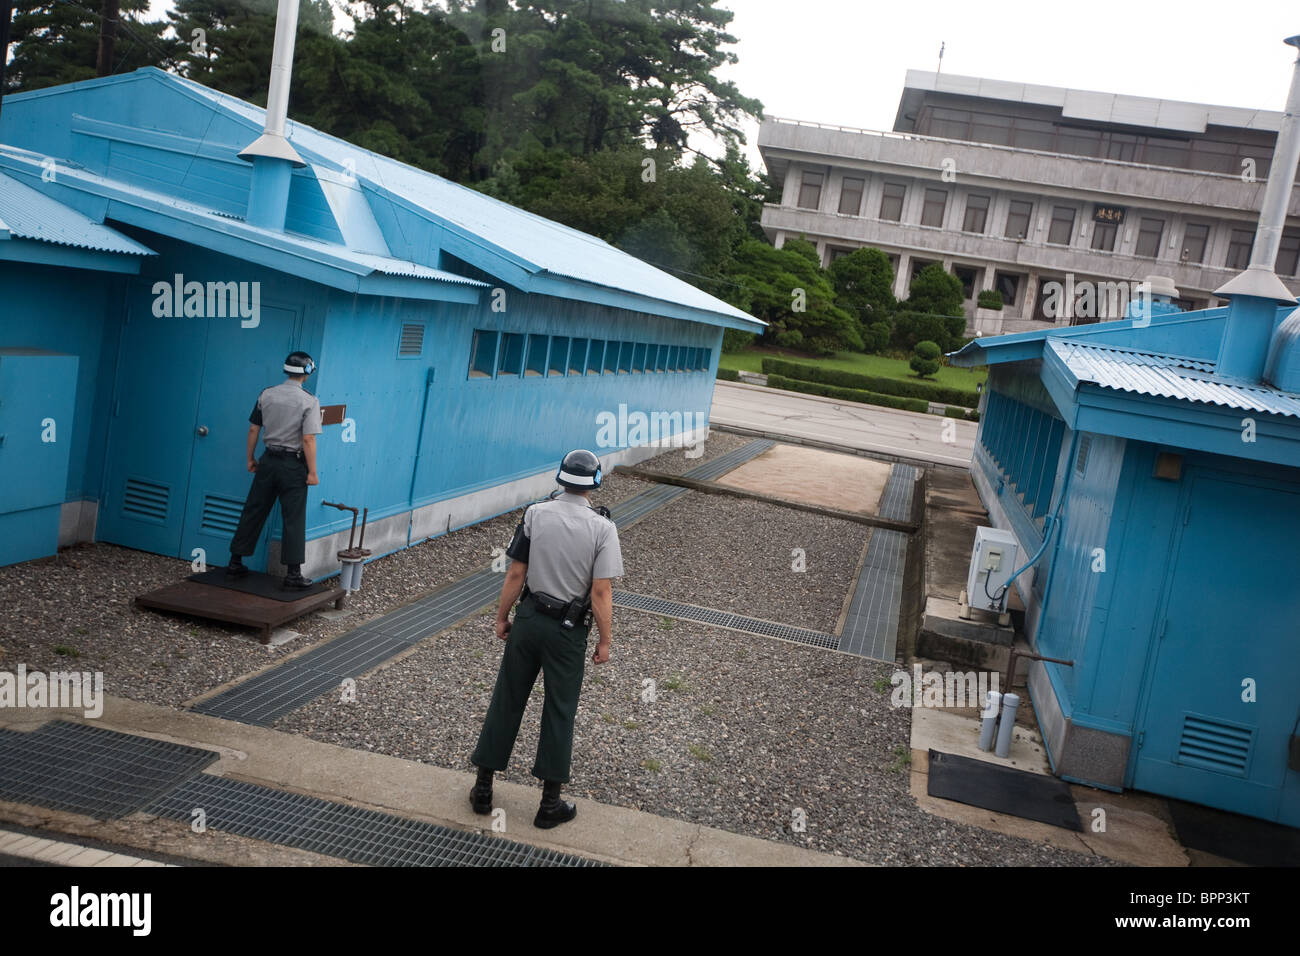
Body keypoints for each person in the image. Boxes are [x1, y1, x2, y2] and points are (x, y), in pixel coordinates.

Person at [469, 449, 622, 829]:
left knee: (507, 698)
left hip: (529, 618)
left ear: (561, 478)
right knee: (559, 709)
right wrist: (605, 640)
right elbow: (601, 592)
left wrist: (503, 616)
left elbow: (515, 574)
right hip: (568, 632)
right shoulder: (603, 528)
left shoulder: (535, 514)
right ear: (595, 483)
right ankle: (549, 804)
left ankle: (484, 788)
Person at [225, 351, 322, 589]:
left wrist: (250, 459)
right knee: (293, 518)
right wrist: (312, 472)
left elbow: (253, 430)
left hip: (267, 461)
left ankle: (235, 562)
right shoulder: (309, 401)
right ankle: (293, 575)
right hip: (293, 465)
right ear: (307, 372)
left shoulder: (266, 394)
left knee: (254, 509)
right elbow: (308, 439)